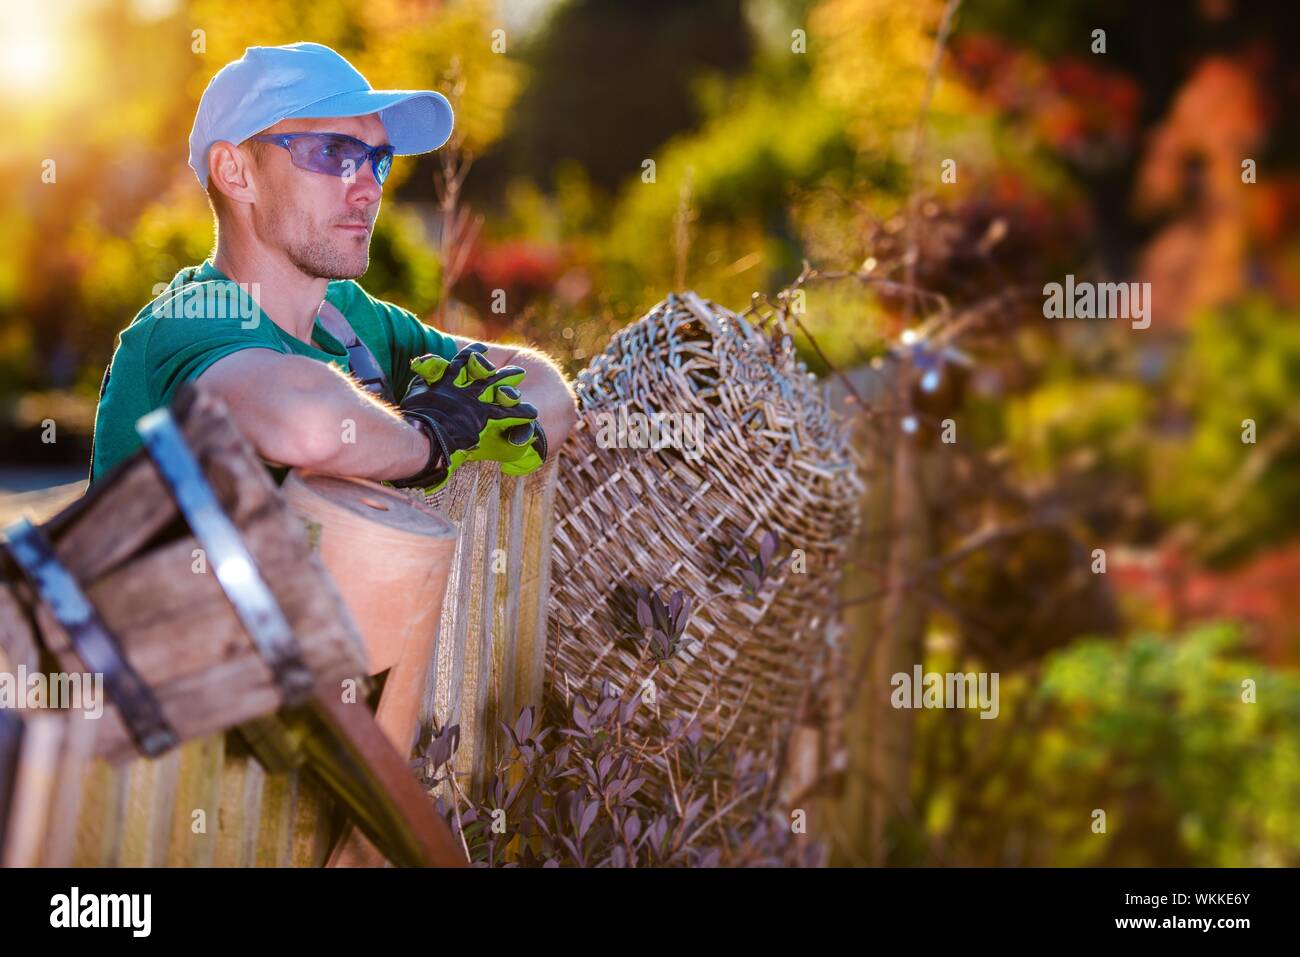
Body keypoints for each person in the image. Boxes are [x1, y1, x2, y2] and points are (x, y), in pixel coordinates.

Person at [89, 41, 577, 490]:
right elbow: (304, 422)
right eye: (333, 153)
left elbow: (543, 387)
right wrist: (432, 439)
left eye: (377, 159)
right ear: (235, 173)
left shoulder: (352, 320)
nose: (369, 188)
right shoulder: (189, 320)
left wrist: (458, 429)